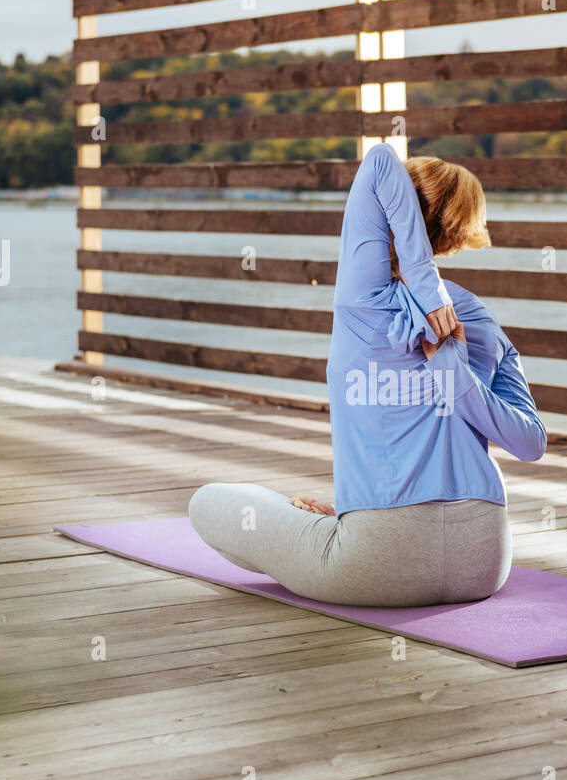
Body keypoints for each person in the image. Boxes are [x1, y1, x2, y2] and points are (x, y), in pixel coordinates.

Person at [189, 144, 545, 607]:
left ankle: (346, 520)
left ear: (395, 219)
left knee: (208, 503)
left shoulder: (364, 298)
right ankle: (348, 513)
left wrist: (427, 291)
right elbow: (531, 443)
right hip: (483, 563)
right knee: (322, 513)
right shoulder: (483, 321)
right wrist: (452, 368)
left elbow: (379, 161)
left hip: (374, 563)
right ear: (457, 237)